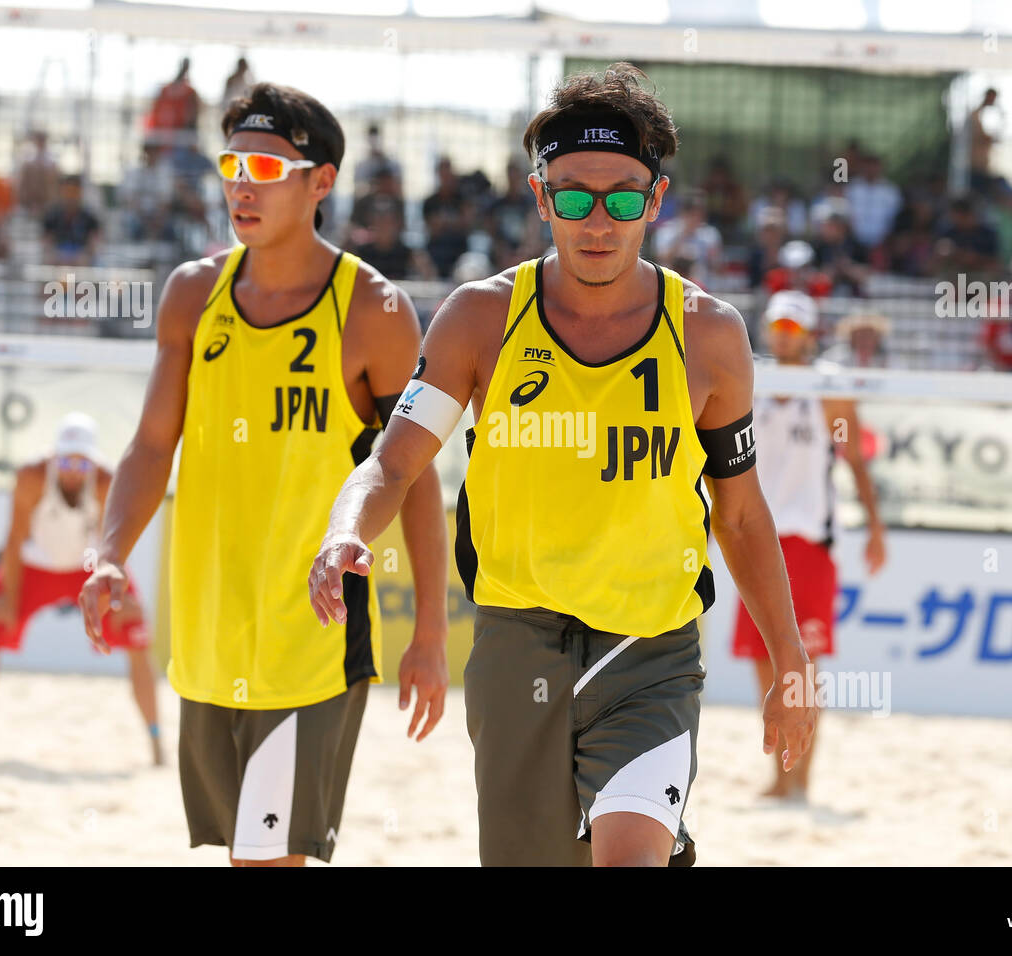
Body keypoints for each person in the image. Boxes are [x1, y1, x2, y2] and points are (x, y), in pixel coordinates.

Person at [309, 62, 818, 867]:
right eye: (575, 196)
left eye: (622, 197)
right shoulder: (481, 318)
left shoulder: (709, 336)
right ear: (542, 196)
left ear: (655, 200)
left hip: (650, 647)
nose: (598, 219)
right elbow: (394, 461)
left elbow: (743, 513)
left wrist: (789, 655)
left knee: (630, 858)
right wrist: (345, 531)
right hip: (518, 643)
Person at [78, 82, 449, 867]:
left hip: (313, 637)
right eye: (231, 163)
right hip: (210, 635)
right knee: (241, 855)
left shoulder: (372, 309)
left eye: (266, 166)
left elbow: (411, 473)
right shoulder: (192, 293)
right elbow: (151, 446)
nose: (241, 182)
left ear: (322, 181)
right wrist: (110, 551)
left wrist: (430, 630)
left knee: (263, 860)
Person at [734, 290, 886, 801]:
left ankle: (801, 779)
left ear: (810, 334)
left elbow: (856, 461)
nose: (783, 335)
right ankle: (780, 776)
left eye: (794, 329)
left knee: (803, 665)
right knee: (762, 661)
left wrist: (875, 527)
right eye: (778, 326)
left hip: (808, 542)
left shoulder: (827, 388)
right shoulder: (748, 381)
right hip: (756, 539)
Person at [0, 414, 161, 764]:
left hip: (89, 568)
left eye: (81, 461)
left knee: (136, 633)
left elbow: (117, 541)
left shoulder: (107, 481)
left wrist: (124, 595)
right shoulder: (31, 476)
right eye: (65, 460)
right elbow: (15, 539)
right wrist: (5, 598)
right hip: (35, 566)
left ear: (93, 460)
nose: (73, 469)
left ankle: (157, 745)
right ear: (53, 457)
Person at [42, 173, 101, 265]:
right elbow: (47, 245)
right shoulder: (52, 217)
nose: (70, 198)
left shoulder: (90, 219)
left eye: (74, 192)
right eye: (67, 192)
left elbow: (94, 246)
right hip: (57, 264)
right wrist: (57, 257)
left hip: (81, 266)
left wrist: (84, 256)